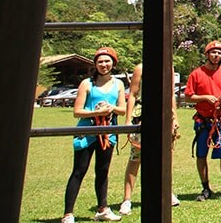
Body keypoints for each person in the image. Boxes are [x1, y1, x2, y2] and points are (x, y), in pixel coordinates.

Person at [61, 46, 126, 223]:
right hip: (86, 132)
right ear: (95, 64)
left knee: (103, 171)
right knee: (79, 171)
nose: (104, 65)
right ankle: (68, 214)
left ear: (113, 63)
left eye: (107, 61)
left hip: (108, 133)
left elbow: (123, 109)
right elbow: (78, 111)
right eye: (100, 62)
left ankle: (102, 208)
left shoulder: (118, 84)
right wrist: (97, 112)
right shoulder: (87, 84)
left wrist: (111, 109)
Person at [118, 63, 181, 215]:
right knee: (136, 158)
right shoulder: (141, 68)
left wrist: (175, 118)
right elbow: (133, 94)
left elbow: (171, 94)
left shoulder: (169, 67)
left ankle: (165, 192)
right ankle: (127, 199)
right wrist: (128, 120)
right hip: (142, 115)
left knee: (165, 157)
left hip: (164, 115)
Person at [184, 40, 221, 202]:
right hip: (203, 121)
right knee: (201, 154)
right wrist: (204, 98)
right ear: (207, 54)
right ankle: (205, 188)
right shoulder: (196, 74)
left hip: (220, 120)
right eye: (213, 52)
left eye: (219, 53)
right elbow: (188, 97)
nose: (216, 56)